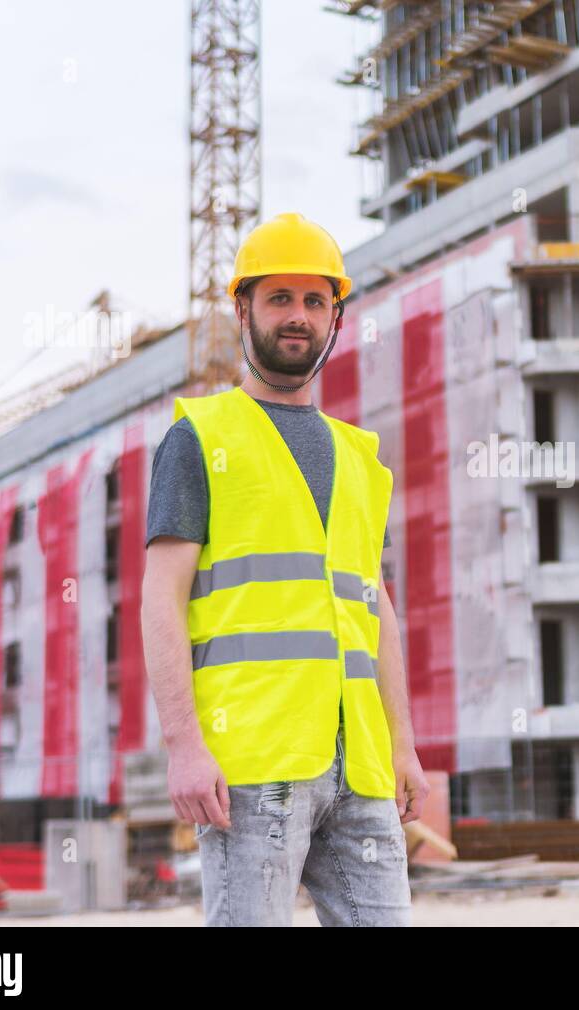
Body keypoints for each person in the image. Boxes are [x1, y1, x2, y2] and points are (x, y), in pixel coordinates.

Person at [141, 213, 429, 926]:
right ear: (243, 310)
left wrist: (404, 747)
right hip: (253, 766)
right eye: (279, 299)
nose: (297, 317)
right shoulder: (199, 438)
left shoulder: (361, 456)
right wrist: (183, 745)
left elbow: (376, 609)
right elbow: (161, 597)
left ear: (334, 317)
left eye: (314, 301)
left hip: (360, 767)